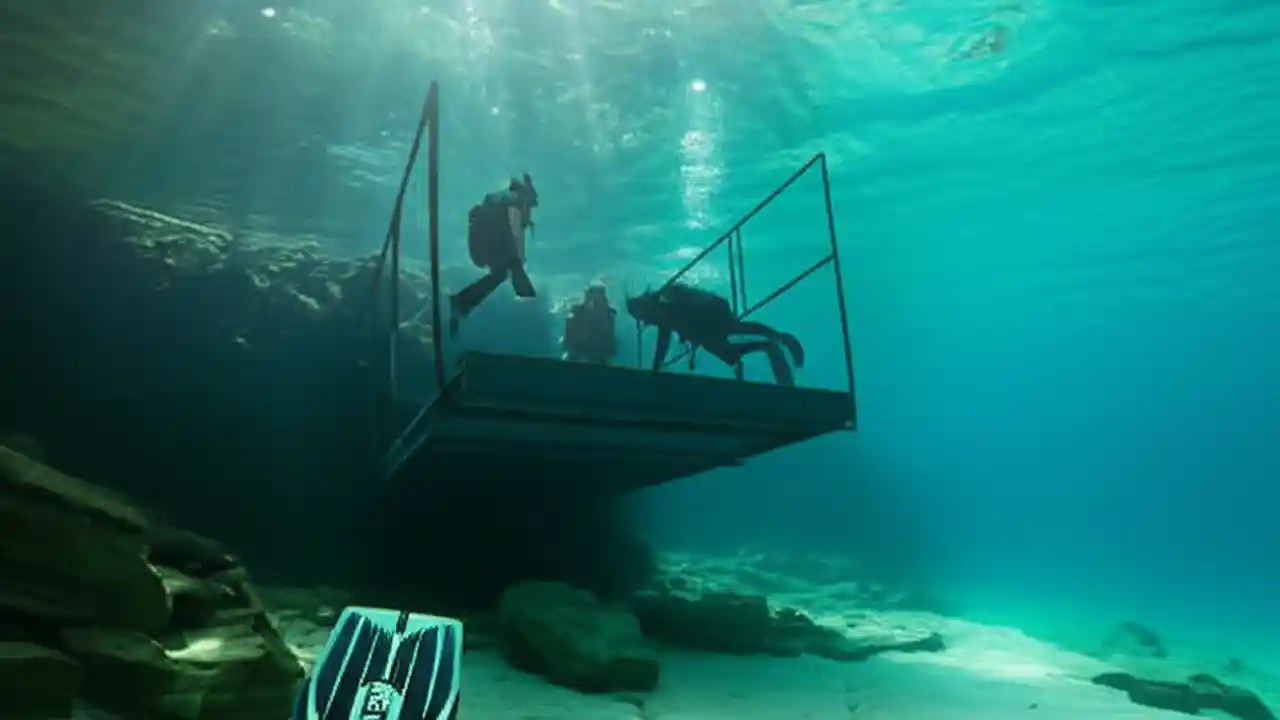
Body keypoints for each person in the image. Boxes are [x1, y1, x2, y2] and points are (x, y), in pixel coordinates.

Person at [626, 281, 805, 386]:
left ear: (645, 306)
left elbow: (688, 302)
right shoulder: (662, 316)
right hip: (708, 337)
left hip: (717, 325)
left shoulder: (666, 299)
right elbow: (662, 345)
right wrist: (655, 373)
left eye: (641, 317)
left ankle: (783, 341)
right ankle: (767, 357)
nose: (644, 323)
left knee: (754, 340)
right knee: (733, 353)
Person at [448, 173, 539, 336]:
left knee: (501, 274)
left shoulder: (508, 201)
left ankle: (463, 303)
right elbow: (514, 232)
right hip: (491, 245)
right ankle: (462, 302)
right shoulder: (514, 201)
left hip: (487, 246)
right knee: (504, 272)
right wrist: (517, 261)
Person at [561, 281, 618, 364]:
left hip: (600, 362)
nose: (596, 301)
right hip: (576, 360)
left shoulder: (608, 316)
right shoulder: (575, 314)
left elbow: (609, 346)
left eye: (600, 296)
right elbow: (569, 343)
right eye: (594, 296)